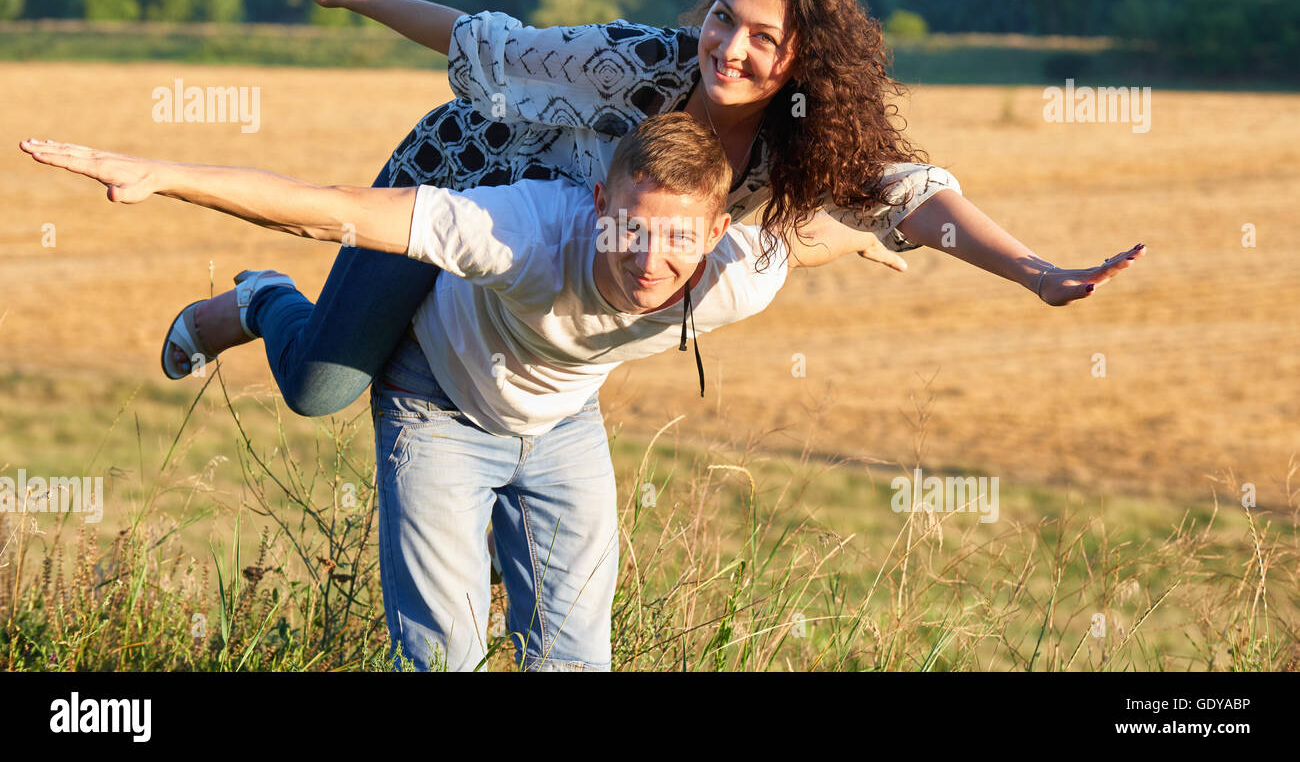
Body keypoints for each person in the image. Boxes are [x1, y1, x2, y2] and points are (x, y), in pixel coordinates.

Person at [19, 112, 980, 670]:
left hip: (559, 422)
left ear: (714, 234)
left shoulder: (736, 272)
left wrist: (876, 238)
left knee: (574, 656)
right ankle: (259, 301)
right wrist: (166, 174)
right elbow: (333, 212)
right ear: (599, 205)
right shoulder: (524, 230)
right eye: (631, 229)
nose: (651, 260)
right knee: (437, 642)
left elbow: (809, 235)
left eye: (680, 239)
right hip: (435, 395)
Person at [155, 0, 1143, 422]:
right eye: (722, 17)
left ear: (803, 57)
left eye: (762, 37)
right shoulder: (636, 64)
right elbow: (488, 43)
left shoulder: (806, 141)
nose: (729, 48)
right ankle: (256, 300)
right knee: (321, 388)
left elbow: (915, 198)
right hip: (461, 185)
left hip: (543, 288)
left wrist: (1034, 272)